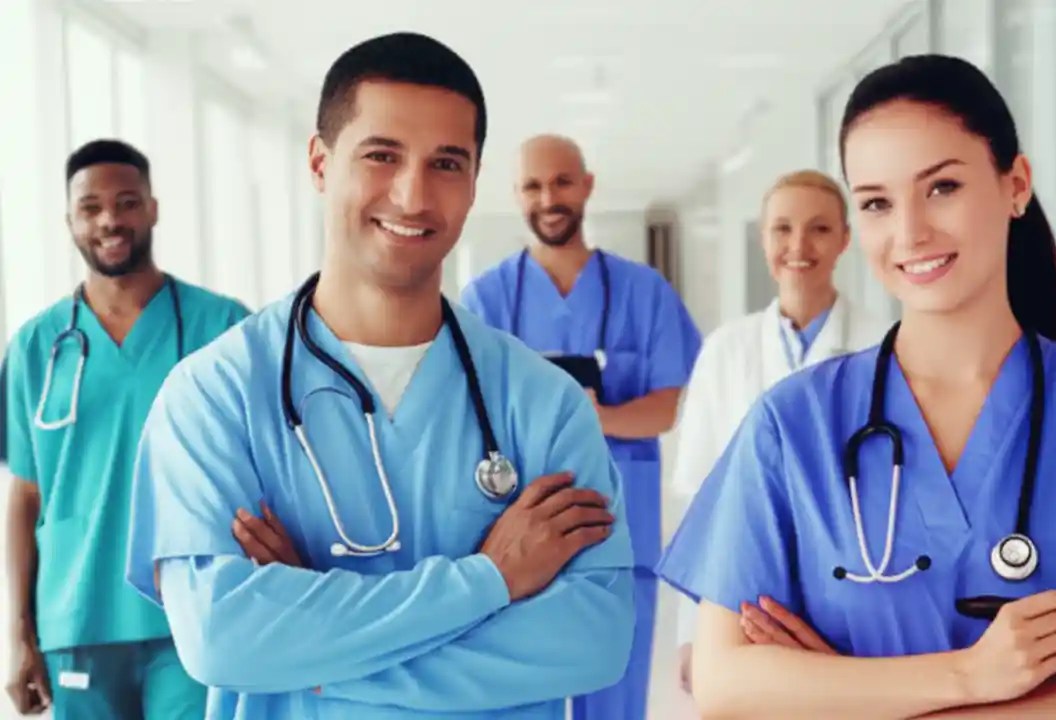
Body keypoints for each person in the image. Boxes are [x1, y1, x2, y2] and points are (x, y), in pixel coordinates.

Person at [656, 54, 1056, 719]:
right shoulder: (792, 425)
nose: (909, 231)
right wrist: (969, 675)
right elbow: (724, 684)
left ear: (1016, 184)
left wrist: (842, 695)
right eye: (877, 203)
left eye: (941, 188)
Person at [124, 32, 635, 720]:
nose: (413, 194)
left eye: (446, 162)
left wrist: (310, 651)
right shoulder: (213, 396)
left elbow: (590, 643)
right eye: (382, 155)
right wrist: (489, 580)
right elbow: (223, 640)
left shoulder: (544, 403)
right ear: (319, 163)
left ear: (475, 180)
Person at [3, 139, 251, 718]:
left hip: (193, 611)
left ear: (153, 208)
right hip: (78, 615)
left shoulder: (223, 327)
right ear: (70, 220)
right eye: (91, 207)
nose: (110, 219)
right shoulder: (38, 346)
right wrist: (18, 632)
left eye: (127, 202)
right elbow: (25, 496)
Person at [460, 133, 701, 720]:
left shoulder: (645, 293)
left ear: (587, 185)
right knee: (522, 689)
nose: (549, 198)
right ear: (516, 194)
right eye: (533, 186)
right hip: (518, 524)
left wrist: (604, 418)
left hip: (621, 523)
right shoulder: (486, 300)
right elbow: (467, 412)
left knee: (617, 690)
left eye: (563, 182)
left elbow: (674, 404)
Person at [669, 168, 883, 692]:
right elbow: (702, 502)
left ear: (845, 240)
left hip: (856, 599)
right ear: (762, 238)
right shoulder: (725, 349)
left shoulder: (886, 343)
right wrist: (691, 631)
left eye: (819, 229)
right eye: (782, 229)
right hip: (746, 599)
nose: (798, 245)